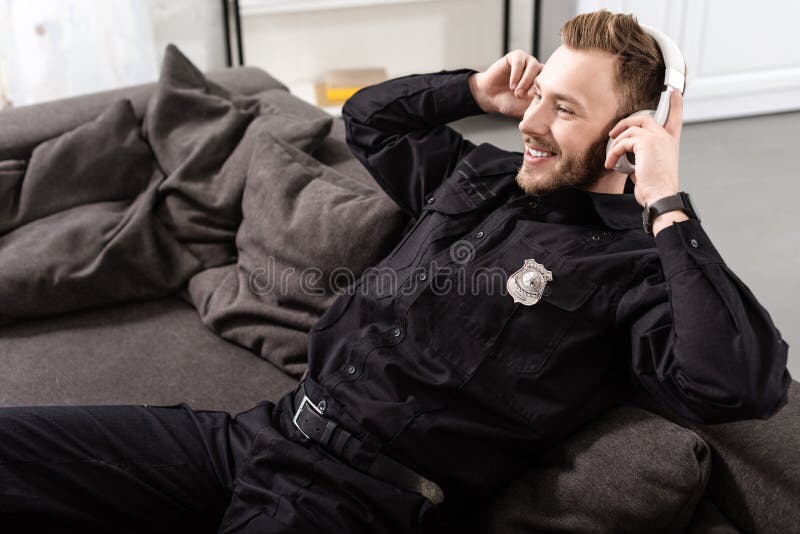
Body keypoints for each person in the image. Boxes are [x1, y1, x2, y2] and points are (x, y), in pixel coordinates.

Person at [0, 10, 790, 534]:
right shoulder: (481, 174)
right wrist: (472, 89)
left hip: (355, 499)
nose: (534, 125)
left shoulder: (637, 267)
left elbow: (741, 384)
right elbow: (369, 120)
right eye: (539, 97)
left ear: (631, 135)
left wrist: (666, 201)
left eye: (565, 111)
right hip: (255, 435)